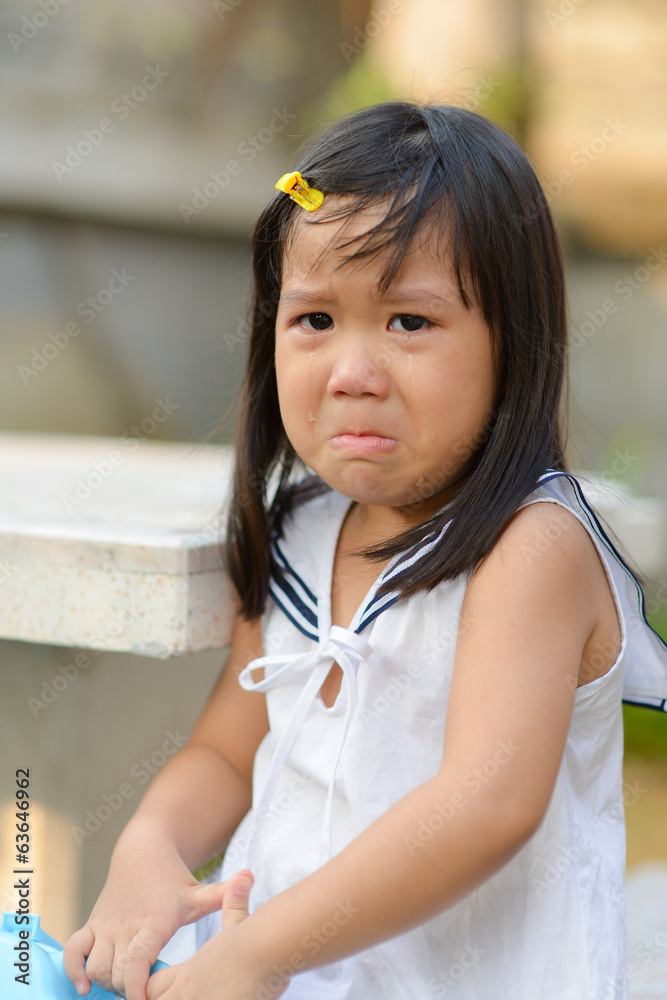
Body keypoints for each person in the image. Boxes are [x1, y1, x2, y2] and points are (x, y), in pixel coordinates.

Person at [64, 101, 667, 1000]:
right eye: (314, 319)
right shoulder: (299, 532)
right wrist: (148, 848)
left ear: (514, 345)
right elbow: (227, 754)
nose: (352, 373)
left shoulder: (530, 548)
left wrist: (263, 952)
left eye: (408, 323)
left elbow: (484, 804)